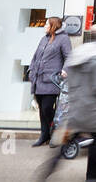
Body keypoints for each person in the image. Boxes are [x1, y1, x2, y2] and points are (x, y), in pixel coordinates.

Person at [35, 24, 96, 182]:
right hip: (94, 109)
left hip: (77, 108)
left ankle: (46, 171)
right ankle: (94, 174)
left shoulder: (80, 52)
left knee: (65, 142)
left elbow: (69, 79)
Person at [28, 17, 70, 148]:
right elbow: (36, 56)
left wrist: (65, 70)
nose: (45, 26)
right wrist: (30, 70)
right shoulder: (44, 38)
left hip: (51, 79)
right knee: (41, 109)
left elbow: (69, 56)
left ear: (54, 25)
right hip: (38, 79)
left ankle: (58, 133)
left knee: (47, 108)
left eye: (47, 24)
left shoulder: (63, 38)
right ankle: (44, 135)